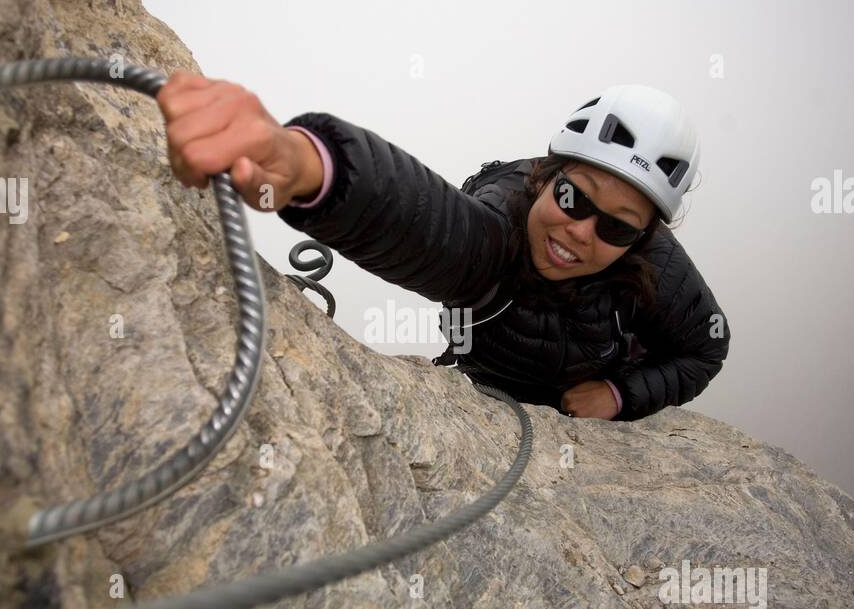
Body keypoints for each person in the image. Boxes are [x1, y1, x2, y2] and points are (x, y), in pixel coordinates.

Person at [157, 73, 729, 420]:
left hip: (582, 404)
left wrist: (618, 394)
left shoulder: (653, 264)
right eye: (574, 197)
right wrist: (306, 164)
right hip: (485, 385)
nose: (582, 231)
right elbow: (426, 224)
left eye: (618, 228)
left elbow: (705, 349)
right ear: (545, 176)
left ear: (644, 235)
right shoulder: (500, 227)